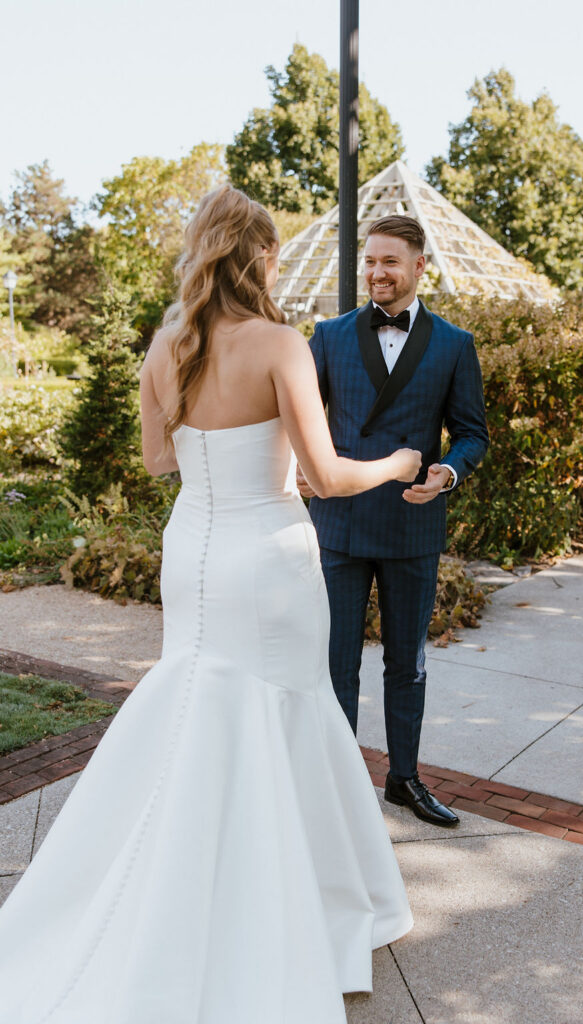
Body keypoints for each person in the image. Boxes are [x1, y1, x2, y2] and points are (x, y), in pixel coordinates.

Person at [0, 187, 420, 1024]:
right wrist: (400, 462)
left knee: (198, 703)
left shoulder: (168, 343)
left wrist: (226, 450)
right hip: (266, 557)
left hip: (192, 548)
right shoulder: (278, 343)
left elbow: (160, 459)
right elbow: (330, 476)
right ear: (259, 257)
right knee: (283, 712)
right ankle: (279, 904)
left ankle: (174, 883)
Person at [298, 215, 489, 828]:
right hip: (341, 521)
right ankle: (337, 783)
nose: (377, 273)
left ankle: (403, 780)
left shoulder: (455, 344)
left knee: (407, 662)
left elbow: (472, 434)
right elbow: (291, 416)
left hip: (411, 525)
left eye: (390, 263)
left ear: (418, 267)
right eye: (370, 262)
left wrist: (449, 472)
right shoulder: (327, 335)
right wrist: (298, 467)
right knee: (336, 662)